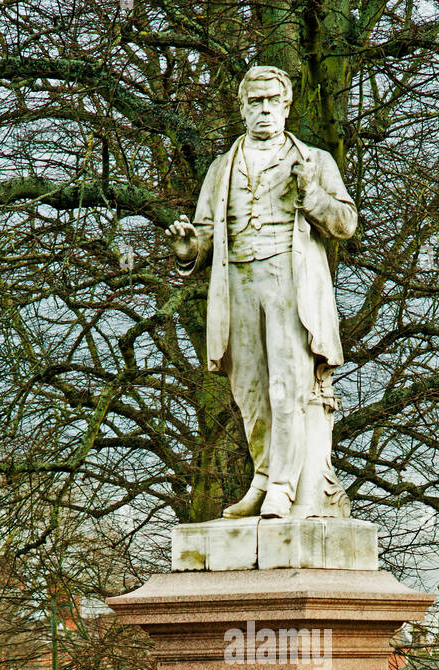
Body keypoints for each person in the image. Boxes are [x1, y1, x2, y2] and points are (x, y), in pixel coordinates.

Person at [166, 65, 357, 519]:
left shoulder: (315, 162)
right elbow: (207, 234)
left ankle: (284, 488)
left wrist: (312, 195)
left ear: (287, 106)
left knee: (286, 387)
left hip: (290, 283)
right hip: (238, 286)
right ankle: (263, 477)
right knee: (249, 390)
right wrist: (189, 248)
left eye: (273, 100)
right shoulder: (220, 168)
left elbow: (345, 223)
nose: (265, 109)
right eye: (255, 102)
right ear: (242, 108)